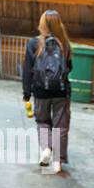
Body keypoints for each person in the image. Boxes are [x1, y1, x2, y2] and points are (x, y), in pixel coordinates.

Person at [22, 10, 73, 174]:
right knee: (61, 126)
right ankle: (58, 161)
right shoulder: (64, 43)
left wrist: (26, 93)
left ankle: (46, 149)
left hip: (40, 91)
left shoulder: (34, 43)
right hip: (61, 91)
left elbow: (27, 70)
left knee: (42, 121)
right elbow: (69, 67)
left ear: (42, 23)